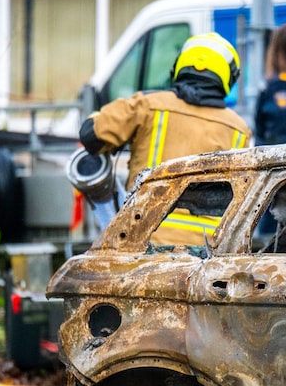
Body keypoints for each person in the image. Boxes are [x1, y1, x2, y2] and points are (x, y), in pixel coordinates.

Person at [79, 32, 252, 246]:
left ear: (178, 67)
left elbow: (90, 135)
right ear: (229, 78)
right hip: (208, 250)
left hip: (142, 241)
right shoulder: (239, 130)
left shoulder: (149, 106)